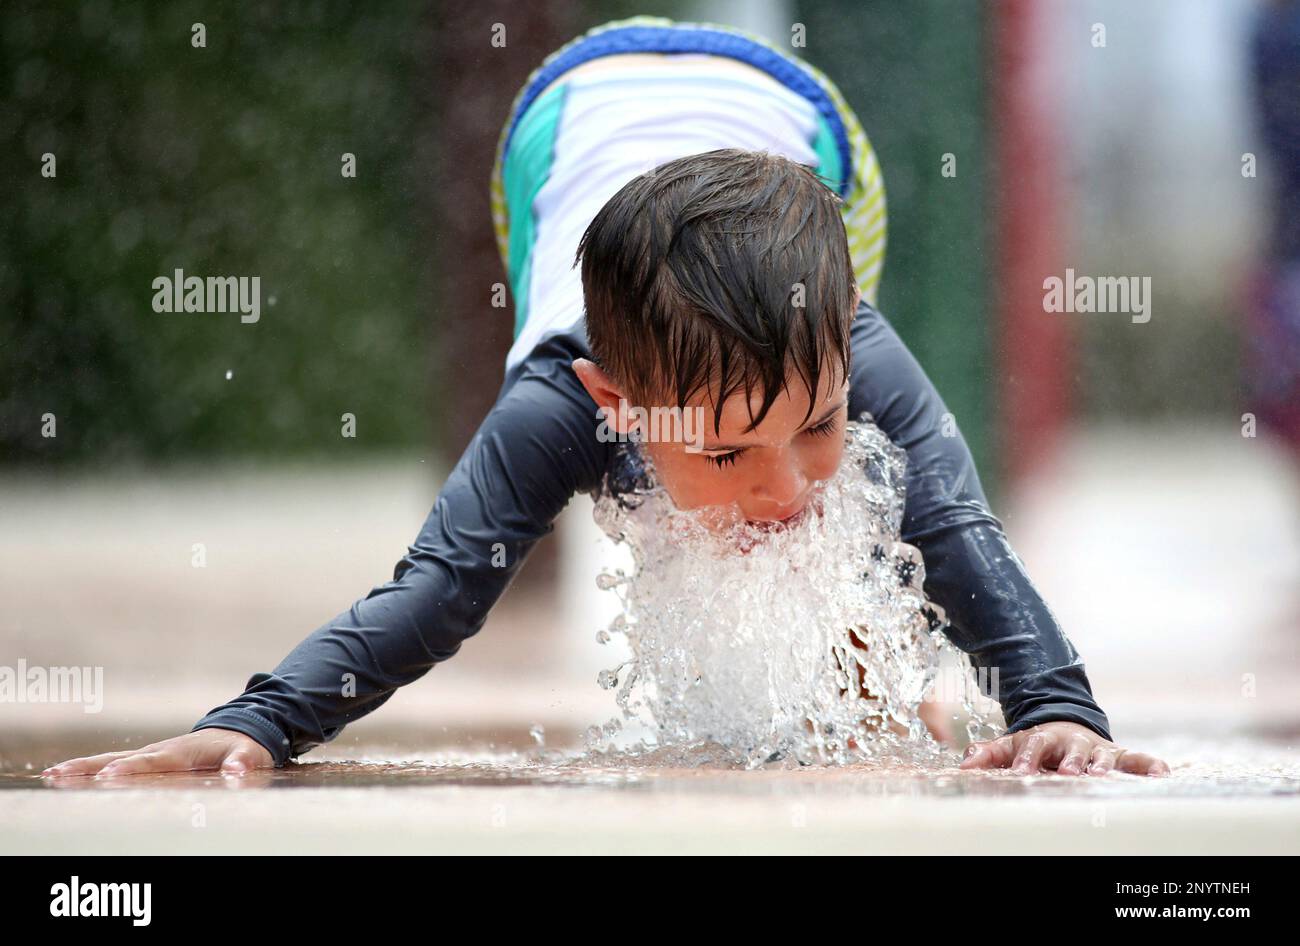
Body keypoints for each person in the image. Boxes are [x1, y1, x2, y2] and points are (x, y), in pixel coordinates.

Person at [45, 16, 1168, 780]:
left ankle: (879, 695)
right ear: (610, 401)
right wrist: (256, 723)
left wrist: (1056, 704)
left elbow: (957, 539)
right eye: (726, 452)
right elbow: (436, 594)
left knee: (884, 497)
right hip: (556, 126)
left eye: (814, 424)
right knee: (748, 475)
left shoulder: (854, 348)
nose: (781, 485)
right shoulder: (554, 404)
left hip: (803, 130)